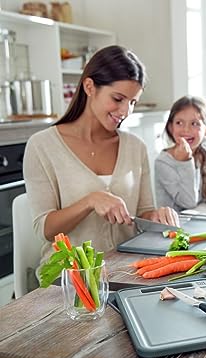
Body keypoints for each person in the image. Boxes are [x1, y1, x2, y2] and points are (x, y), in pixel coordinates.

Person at [24, 45, 179, 276]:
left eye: (133, 102)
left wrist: (156, 217)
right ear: (89, 87)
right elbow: (46, 229)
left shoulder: (135, 147)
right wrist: (90, 201)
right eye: (118, 98)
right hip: (70, 280)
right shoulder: (42, 146)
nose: (125, 111)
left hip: (128, 272)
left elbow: (143, 211)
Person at [155, 95, 206, 212]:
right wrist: (185, 162)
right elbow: (188, 202)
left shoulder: (203, 153)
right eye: (179, 123)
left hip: (198, 219)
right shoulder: (163, 162)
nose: (186, 129)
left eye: (194, 124)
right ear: (171, 127)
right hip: (174, 228)